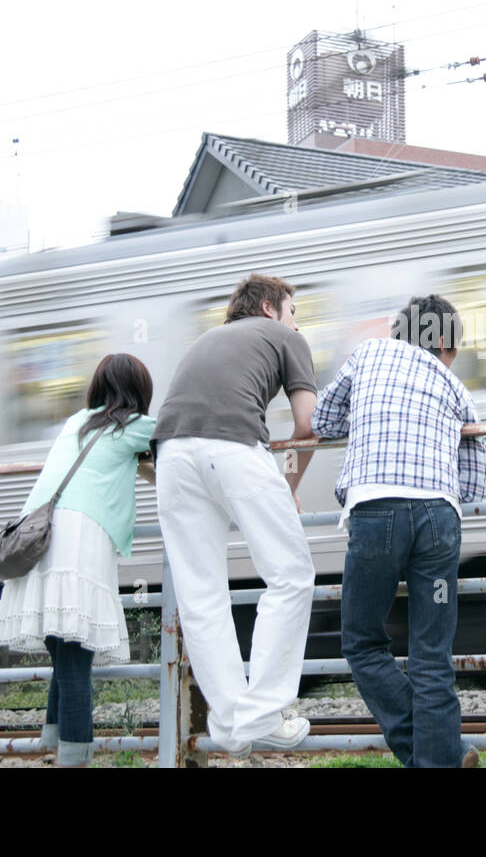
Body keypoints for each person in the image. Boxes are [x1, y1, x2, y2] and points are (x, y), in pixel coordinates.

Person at [313, 294, 486, 768]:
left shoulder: (368, 353)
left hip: (376, 514)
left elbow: (321, 421)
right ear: (446, 345)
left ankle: (438, 756)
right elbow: (472, 482)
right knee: (433, 656)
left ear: (399, 331)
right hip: (438, 520)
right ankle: (443, 756)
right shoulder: (455, 387)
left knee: (363, 640)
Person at [152, 273, 317, 756]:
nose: (295, 322)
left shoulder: (205, 339)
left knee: (201, 594)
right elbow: (307, 424)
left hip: (172, 456)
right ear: (270, 308)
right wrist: (288, 487)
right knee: (290, 575)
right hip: (233, 447)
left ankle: (229, 727)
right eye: (292, 310)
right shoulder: (286, 337)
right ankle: (264, 714)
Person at [0, 352, 157, 768]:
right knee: (74, 663)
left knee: (64, 651)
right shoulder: (135, 428)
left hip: (40, 543)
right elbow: (175, 442)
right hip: (77, 548)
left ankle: (53, 741)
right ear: (140, 391)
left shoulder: (77, 423)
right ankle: (74, 757)